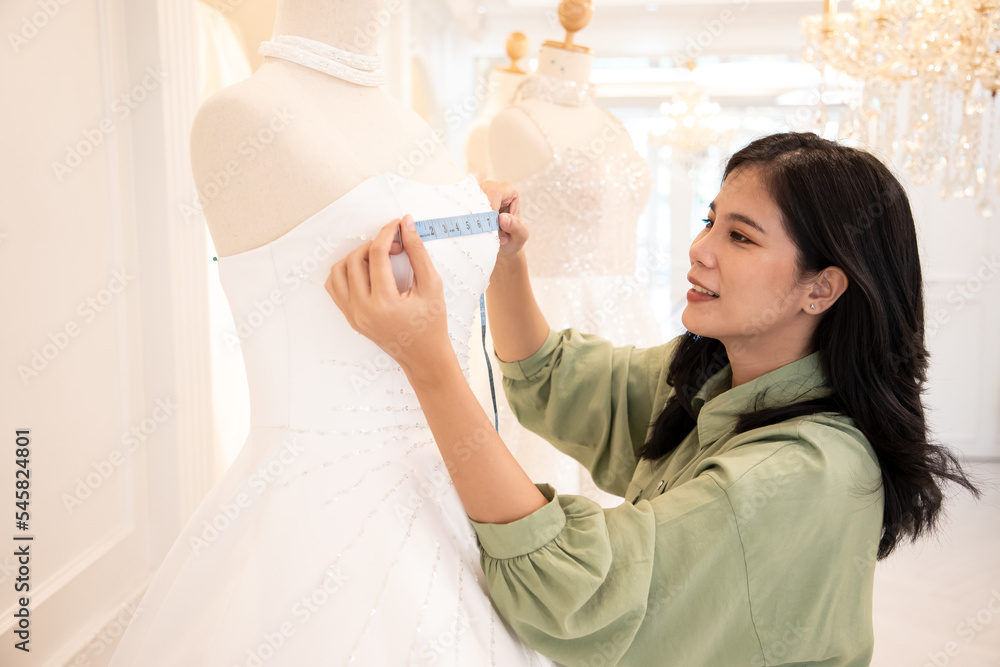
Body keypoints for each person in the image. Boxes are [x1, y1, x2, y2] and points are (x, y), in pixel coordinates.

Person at [326, 131, 981, 666]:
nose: (699, 249)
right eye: (709, 221)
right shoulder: (719, 375)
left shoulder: (799, 471)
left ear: (822, 288)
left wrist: (428, 360)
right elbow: (565, 383)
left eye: (741, 236)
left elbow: (574, 586)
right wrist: (506, 261)